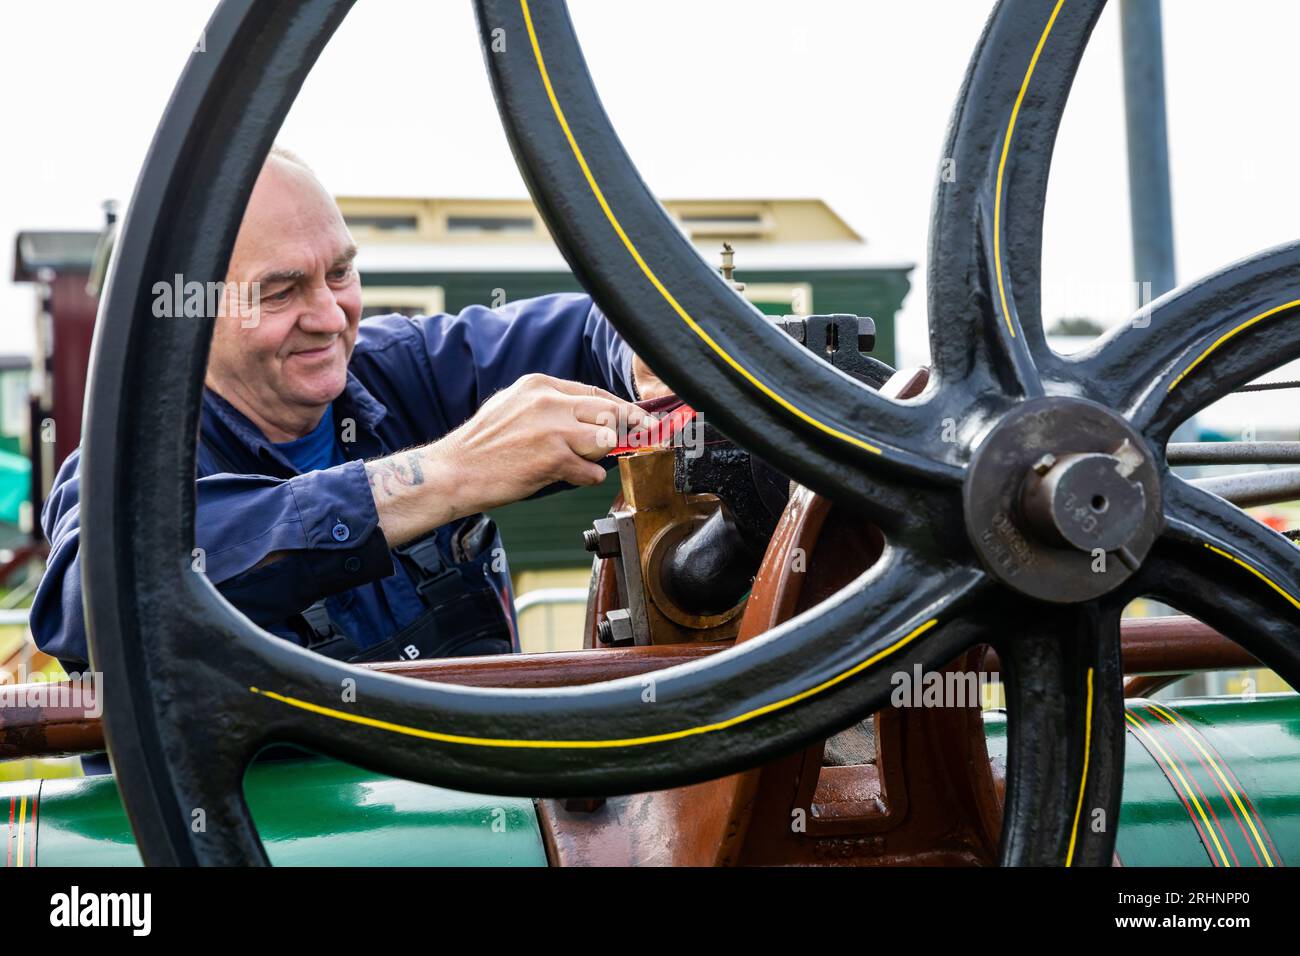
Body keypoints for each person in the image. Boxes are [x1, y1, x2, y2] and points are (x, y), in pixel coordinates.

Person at [33, 146, 667, 677]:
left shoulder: (402, 368)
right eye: (279, 291)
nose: (331, 317)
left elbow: (590, 328)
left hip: (492, 806)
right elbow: (90, 601)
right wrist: (448, 474)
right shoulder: (126, 461)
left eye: (339, 273)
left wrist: (651, 353)